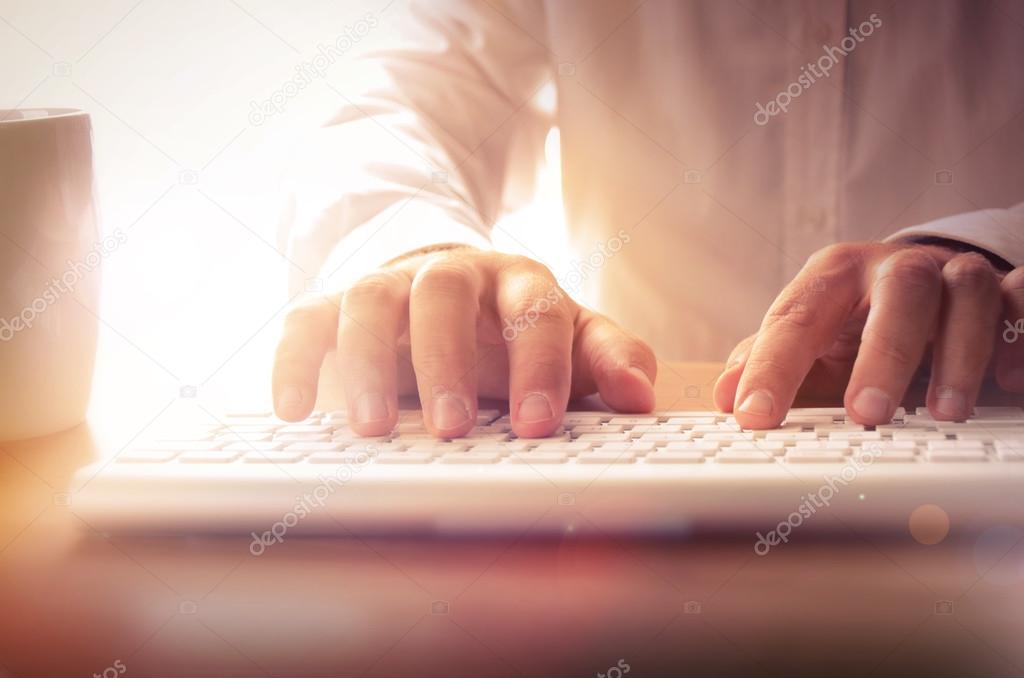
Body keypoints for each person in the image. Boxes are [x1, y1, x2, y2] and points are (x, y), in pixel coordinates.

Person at [271, 0, 1024, 439]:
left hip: (987, 409)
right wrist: (426, 255)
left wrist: (983, 250)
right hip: (624, 431)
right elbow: (395, 106)